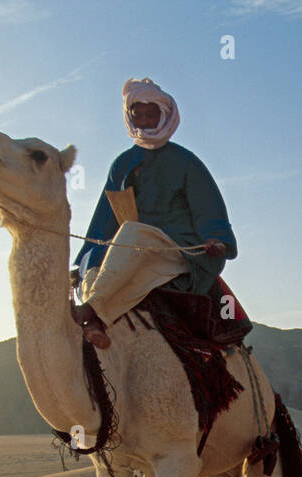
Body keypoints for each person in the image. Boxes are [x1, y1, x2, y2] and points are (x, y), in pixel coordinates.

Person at [70, 78, 239, 347]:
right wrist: (87, 260)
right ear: (130, 117)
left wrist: (217, 240)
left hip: (182, 250)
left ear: (164, 116)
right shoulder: (122, 164)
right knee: (96, 262)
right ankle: (97, 322)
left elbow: (208, 208)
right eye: (139, 115)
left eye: (151, 115)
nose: (146, 122)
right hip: (132, 249)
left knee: (136, 235)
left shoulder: (186, 162)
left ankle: (90, 311)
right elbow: (105, 217)